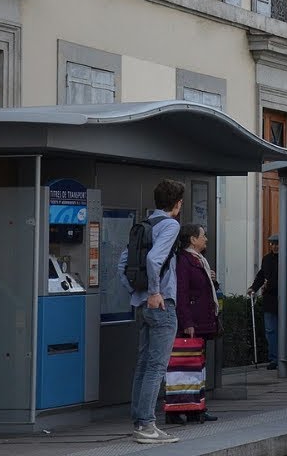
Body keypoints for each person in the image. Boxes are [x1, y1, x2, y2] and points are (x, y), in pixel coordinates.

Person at [117, 179, 184, 444]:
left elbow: (122, 263)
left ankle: (140, 421)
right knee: (157, 366)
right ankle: (147, 425)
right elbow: (154, 259)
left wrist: (138, 294)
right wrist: (155, 292)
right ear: (177, 204)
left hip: (142, 305)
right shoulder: (170, 225)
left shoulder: (144, 224)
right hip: (162, 304)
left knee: (144, 364)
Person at [166, 223, 221, 424]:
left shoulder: (200, 261)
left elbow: (202, 289)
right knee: (185, 368)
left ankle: (197, 407)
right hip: (192, 323)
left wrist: (212, 279)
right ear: (192, 239)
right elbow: (182, 293)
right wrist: (187, 321)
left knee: (198, 366)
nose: (206, 239)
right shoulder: (185, 261)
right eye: (203, 235)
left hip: (202, 320)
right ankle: (180, 409)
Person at [248, 235, 280, 370]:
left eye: (277, 243)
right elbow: (261, 275)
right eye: (272, 244)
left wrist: (268, 285)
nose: (274, 246)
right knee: (270, 330)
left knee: (282, 330)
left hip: (283, 298)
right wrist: (253, 287)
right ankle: (274, 358)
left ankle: (282, 357)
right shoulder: (266, 259)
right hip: (270, 299)